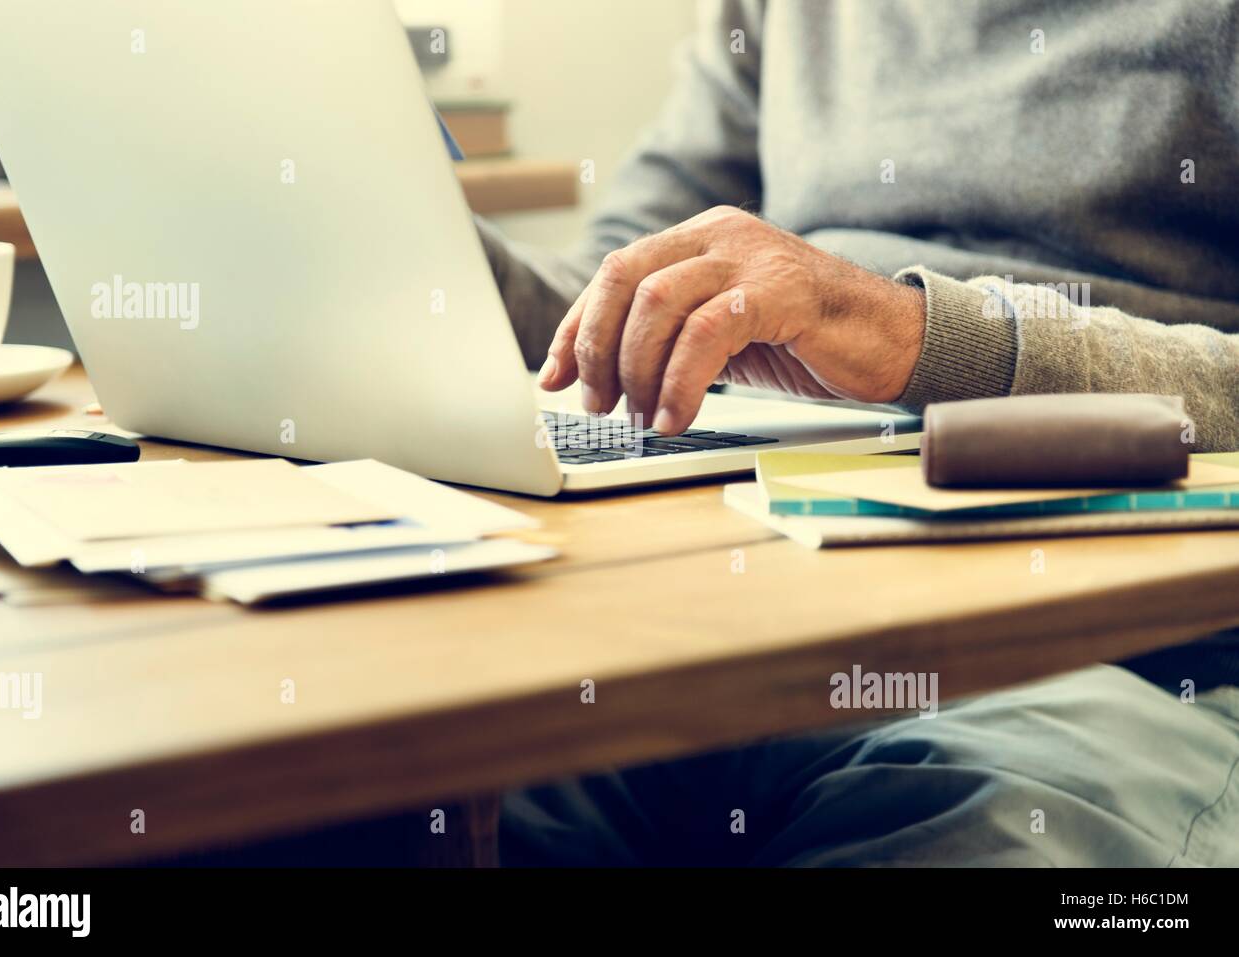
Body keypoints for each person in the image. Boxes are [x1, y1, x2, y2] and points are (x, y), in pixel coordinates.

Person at [475, 0, 1239, 866]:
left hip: (1131, 659)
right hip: (740, 606)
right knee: (417, 784)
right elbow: (623, 286)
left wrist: (919, 338)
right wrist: (425, 251)